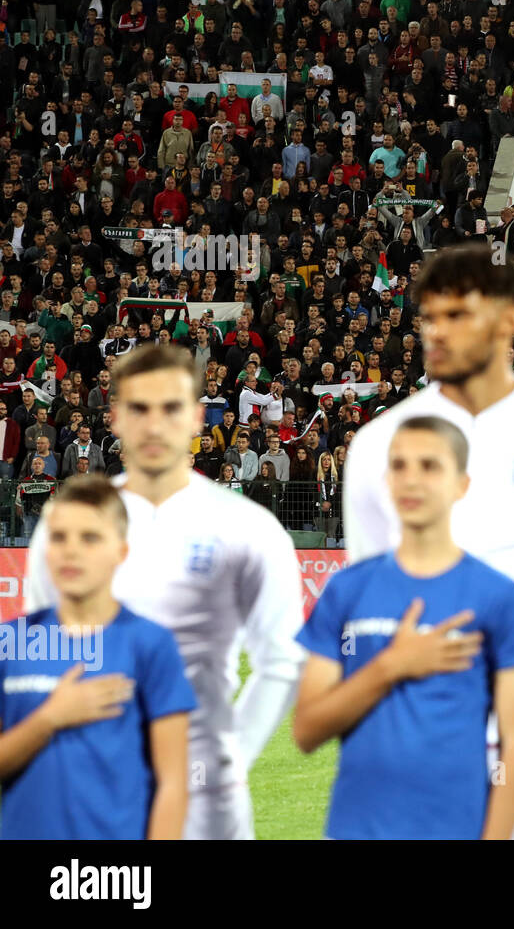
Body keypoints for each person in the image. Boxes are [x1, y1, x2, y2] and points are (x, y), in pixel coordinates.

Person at [342, 244, 514, 840]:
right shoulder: (376, 446)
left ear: (508, 321)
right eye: (429, 317)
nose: (436, 332)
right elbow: (370, 596)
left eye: (457, 316)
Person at [22, 345, 306, 840]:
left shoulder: (250, 529)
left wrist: (232, 754)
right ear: (114, 417)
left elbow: (283, 661)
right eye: (139, 408)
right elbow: (41, 654)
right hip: (90, 789)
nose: (155, 425)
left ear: (197, 416)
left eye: (171, 408)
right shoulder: (63, 527)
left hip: (206, 804)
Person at [295, 416, 514, 839]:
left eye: (430, 466)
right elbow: (307, 730)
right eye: (399, 466)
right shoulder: (347, 589)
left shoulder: (499, 596)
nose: (412, 479)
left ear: (462, 484)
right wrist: (391, 665)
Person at [0, 476, 195, 839]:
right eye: (59, 538)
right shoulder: (9, 642)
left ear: (120, 552)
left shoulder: (150, 644)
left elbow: (173, 782)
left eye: (89, 538)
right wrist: (49, 718)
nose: (71, 550)